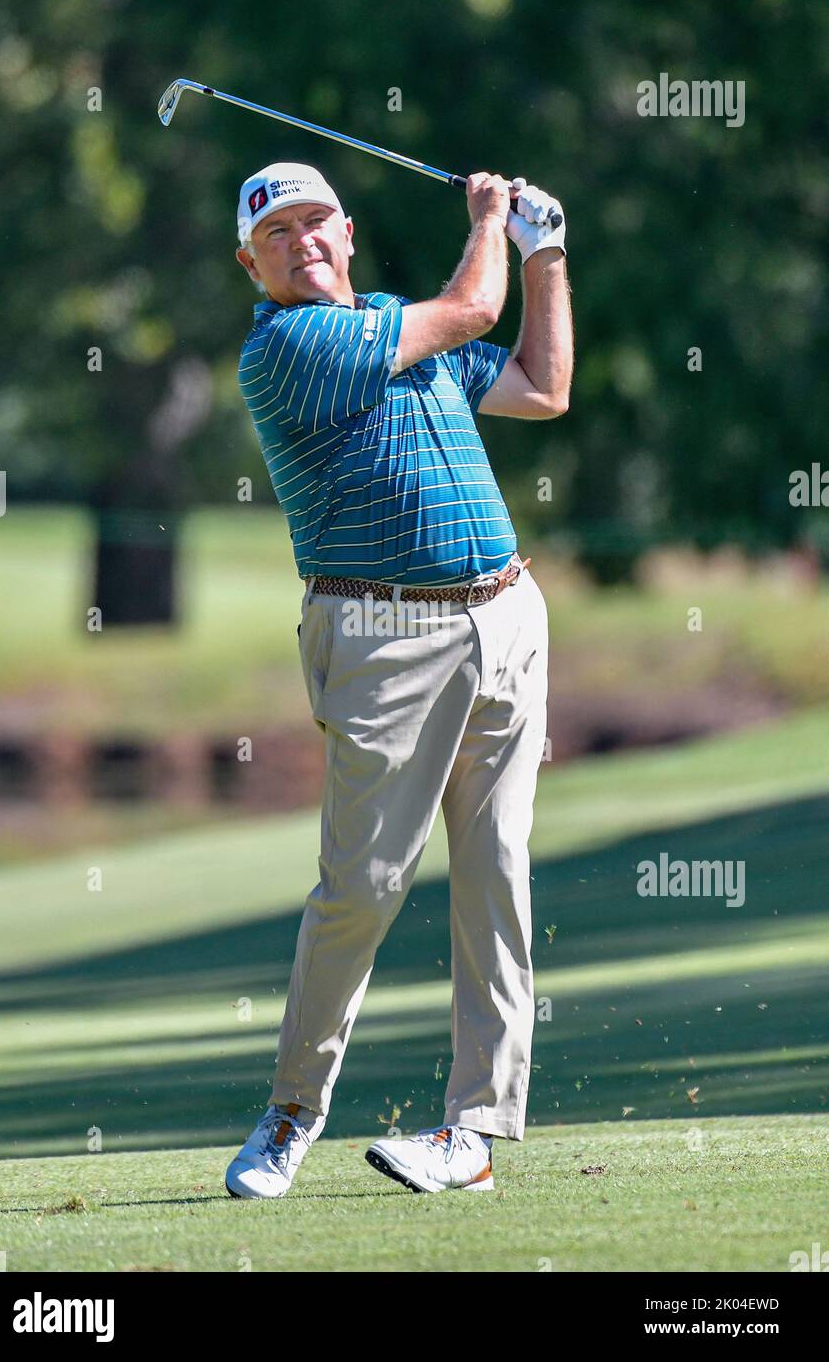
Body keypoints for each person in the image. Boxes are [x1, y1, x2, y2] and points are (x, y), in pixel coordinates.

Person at [225, 159, 573, 1198]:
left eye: (313, 221)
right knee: (362, 886)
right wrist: (489, 225)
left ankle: (472, 1130)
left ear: (346, 226)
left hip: (504, 616)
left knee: (497, 872)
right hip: (382, 636)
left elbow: (541, 387)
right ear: (252, 263)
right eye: (275, 235)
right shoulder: (287, 347)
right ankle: (292, 1111)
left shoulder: (392, 320)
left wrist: (546, 254)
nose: (301, 242)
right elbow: (472, 305)